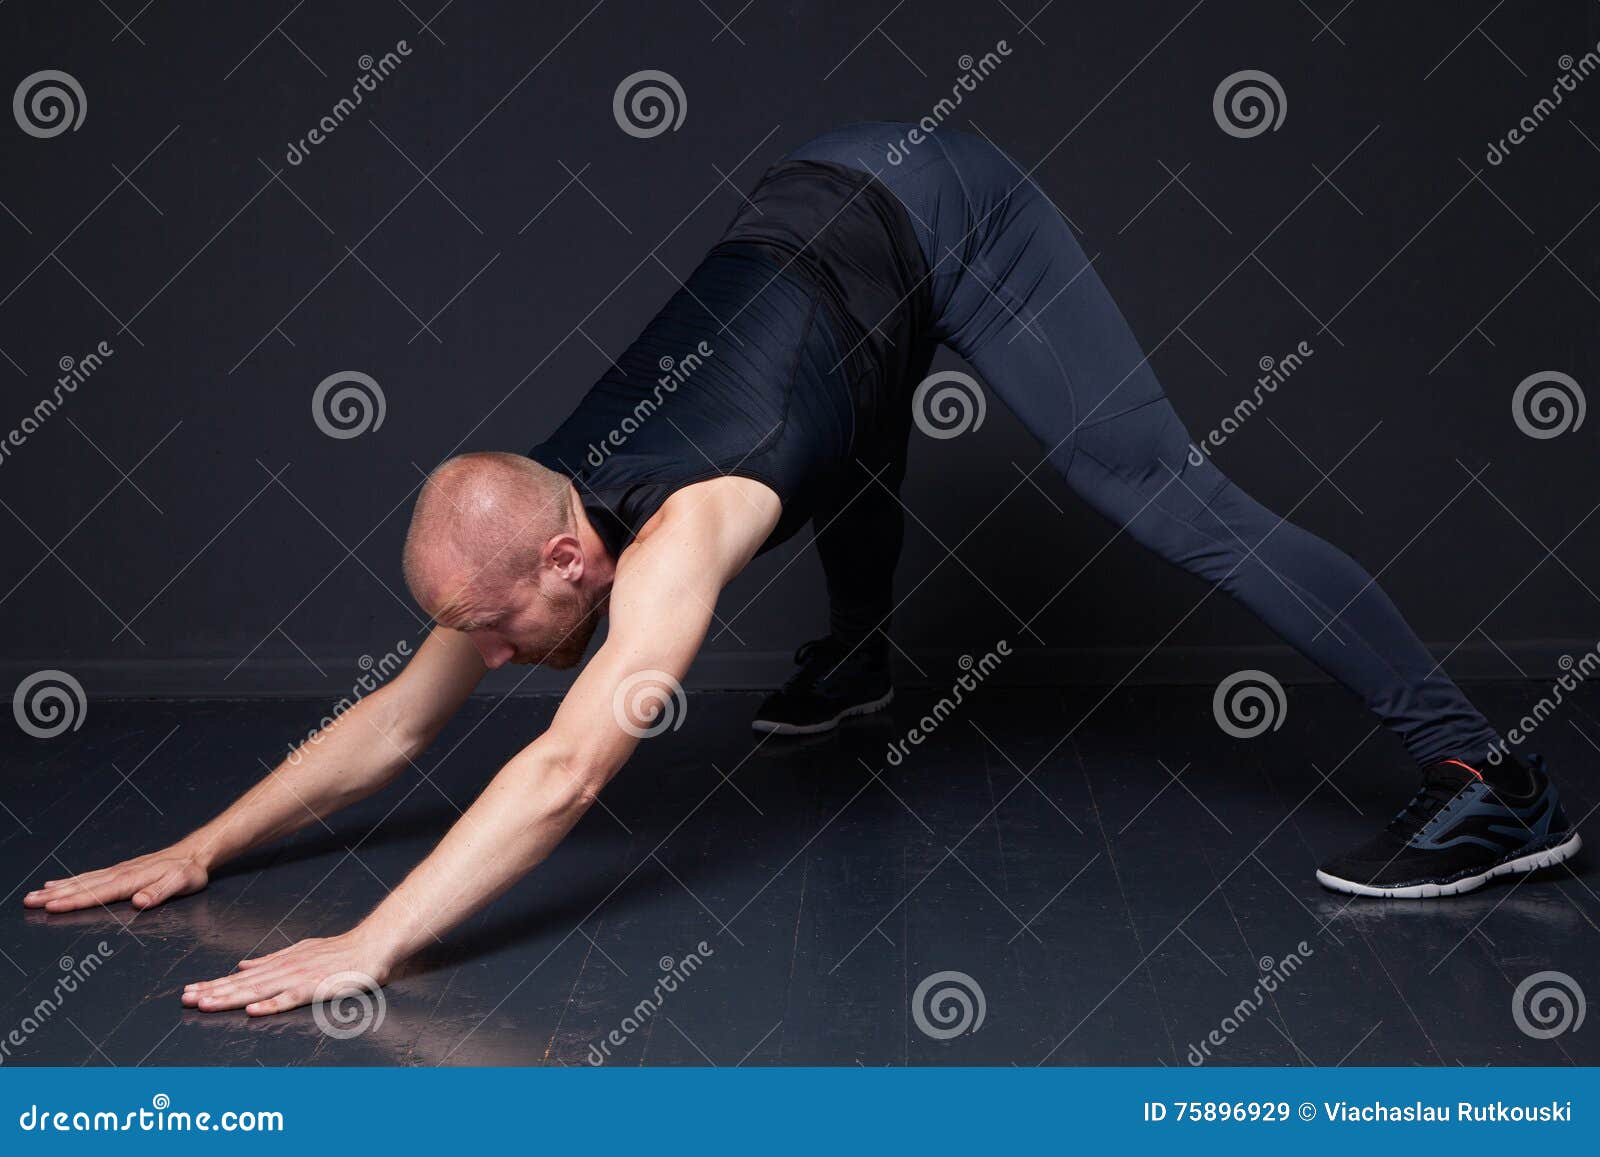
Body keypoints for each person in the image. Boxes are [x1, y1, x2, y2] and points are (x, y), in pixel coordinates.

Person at [23, 124, 1580, 1017]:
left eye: (502, 633)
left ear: (573, 551)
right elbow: (402, 721)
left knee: (1159, 491)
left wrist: (370, 942)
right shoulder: (545, 521)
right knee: (839, 431)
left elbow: (571, 770)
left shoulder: (678, 528)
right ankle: (855, 667)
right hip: (810, 226)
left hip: (942, 209)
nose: (493, 658)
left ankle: (1485, 778)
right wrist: (207, 845)